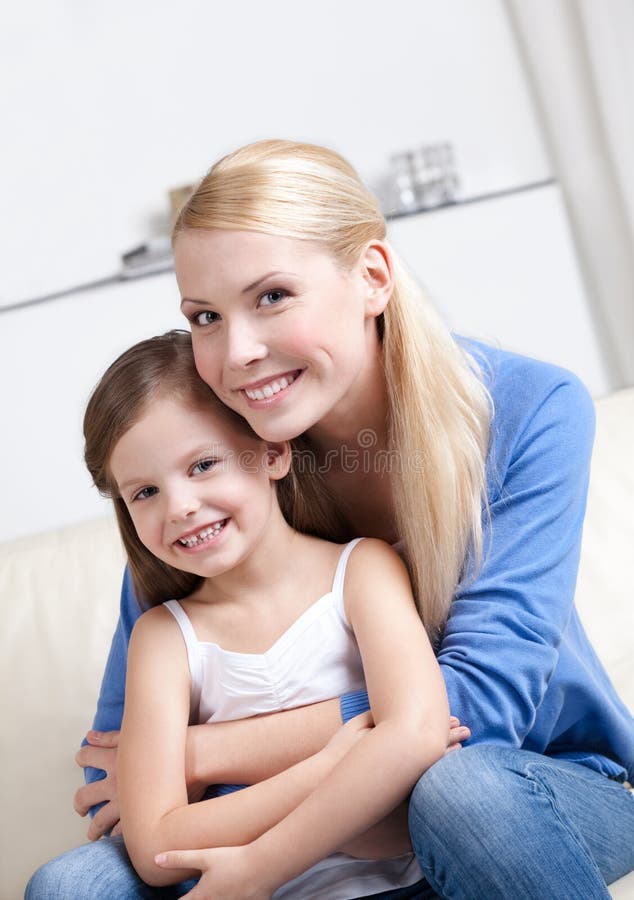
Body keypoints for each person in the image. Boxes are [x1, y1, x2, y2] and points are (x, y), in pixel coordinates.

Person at [27, 140, 634, 899]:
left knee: (463, 790)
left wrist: (201, 752)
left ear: (372, 277)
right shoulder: (223, 455)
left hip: (527, 781)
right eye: (206, 316)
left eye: (273, 296)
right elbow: (110, 765)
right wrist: (183, 765)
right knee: (72, 886)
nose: (237, 351)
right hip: (313, 818)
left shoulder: (529, 410)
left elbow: (468, 714)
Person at [85, 330, 450, 898]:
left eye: (203, 464)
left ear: (273, 452)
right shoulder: (162, 638)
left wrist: (236, 817)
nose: (179, 506)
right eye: (145, 492)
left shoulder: (361, 572)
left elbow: (416, 748)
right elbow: (157, 849)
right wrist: (330, 765)